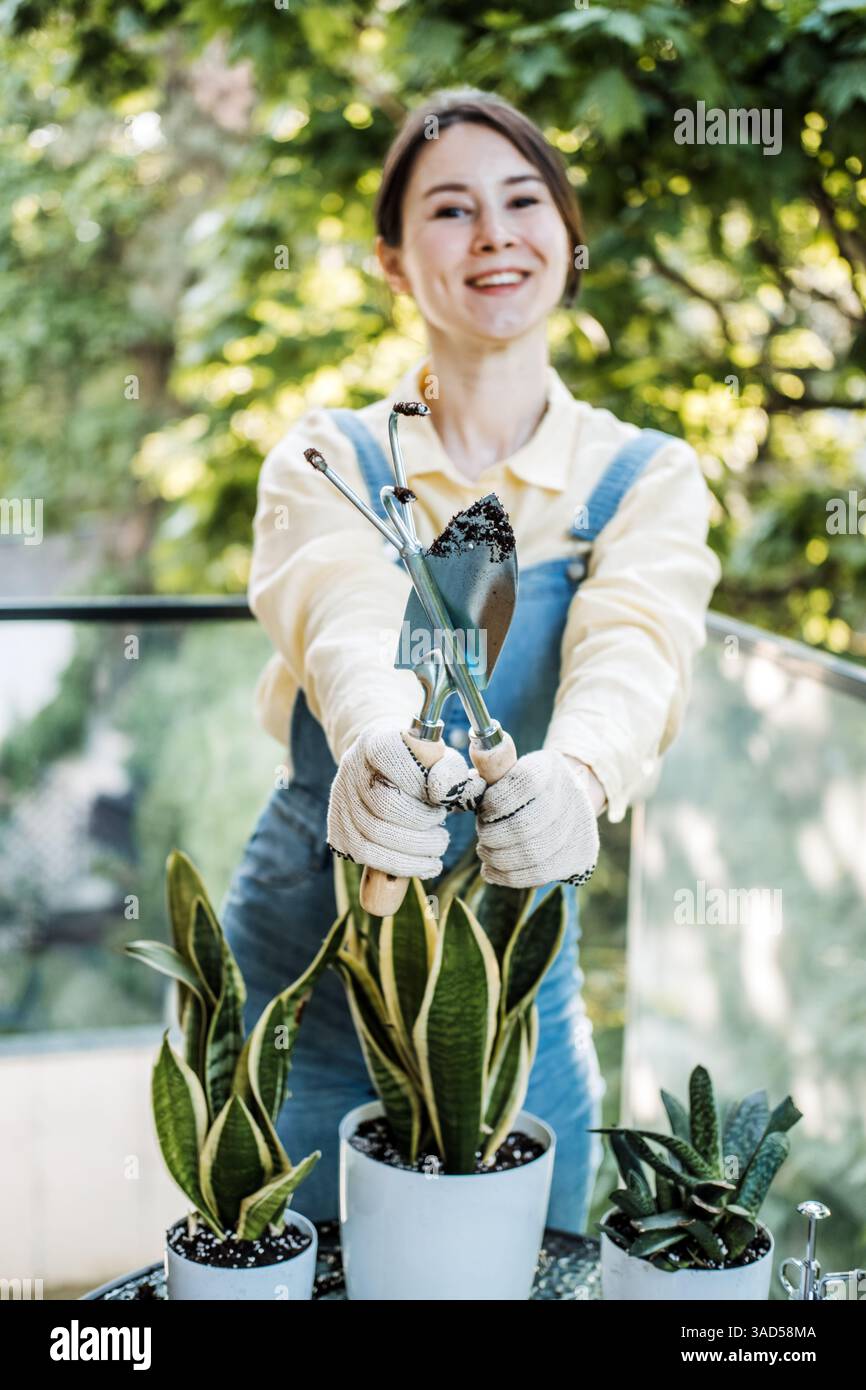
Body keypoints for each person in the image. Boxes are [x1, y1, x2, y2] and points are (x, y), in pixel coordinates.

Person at [219, 87, 721, 1235]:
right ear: (393, 261)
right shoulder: (327, 454)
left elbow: (633, 653)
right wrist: (374, 739)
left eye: (521, 199)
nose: (493, 233)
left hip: (509, 1007)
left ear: (564, 232)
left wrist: (577, 777)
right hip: (304, 979)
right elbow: (346, 617)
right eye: (450, 209)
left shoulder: (642, 478)